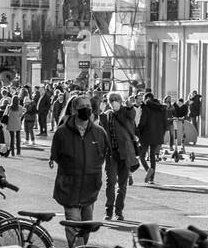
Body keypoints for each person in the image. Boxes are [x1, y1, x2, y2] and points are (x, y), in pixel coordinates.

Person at [49, 93, 109, 229]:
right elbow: (56, 155)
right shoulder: (62, 132)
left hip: (90, 189)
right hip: (69, 189)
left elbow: (103, 155)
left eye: (88, 106)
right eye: (82, 106)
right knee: (74, 227)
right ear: (75, 110)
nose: (86, 109)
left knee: (86, 228)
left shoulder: (99, 133)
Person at [101, 90, 137, 221]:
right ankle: (108, 211)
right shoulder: (106, 115)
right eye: (111, 101)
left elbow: (132, 114)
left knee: (122, 184)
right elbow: (101, 133)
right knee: (110, 182)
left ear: (120, 102)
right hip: (111, 154)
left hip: (125, 153)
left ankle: (119, 211)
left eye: (116, 101)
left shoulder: (126, 113)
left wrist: (129, 105)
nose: (114, 103)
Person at [137, 91, 167, 184]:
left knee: (142, 156)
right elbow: (165, 123)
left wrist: (137, 131)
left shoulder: (146, 108)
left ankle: (148, 170)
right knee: (152, 156)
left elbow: (143, 122)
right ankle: (151, 178)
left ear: (146, 99)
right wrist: (162, 133)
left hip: (146, 134)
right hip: (157, 135)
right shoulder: (161, 108)